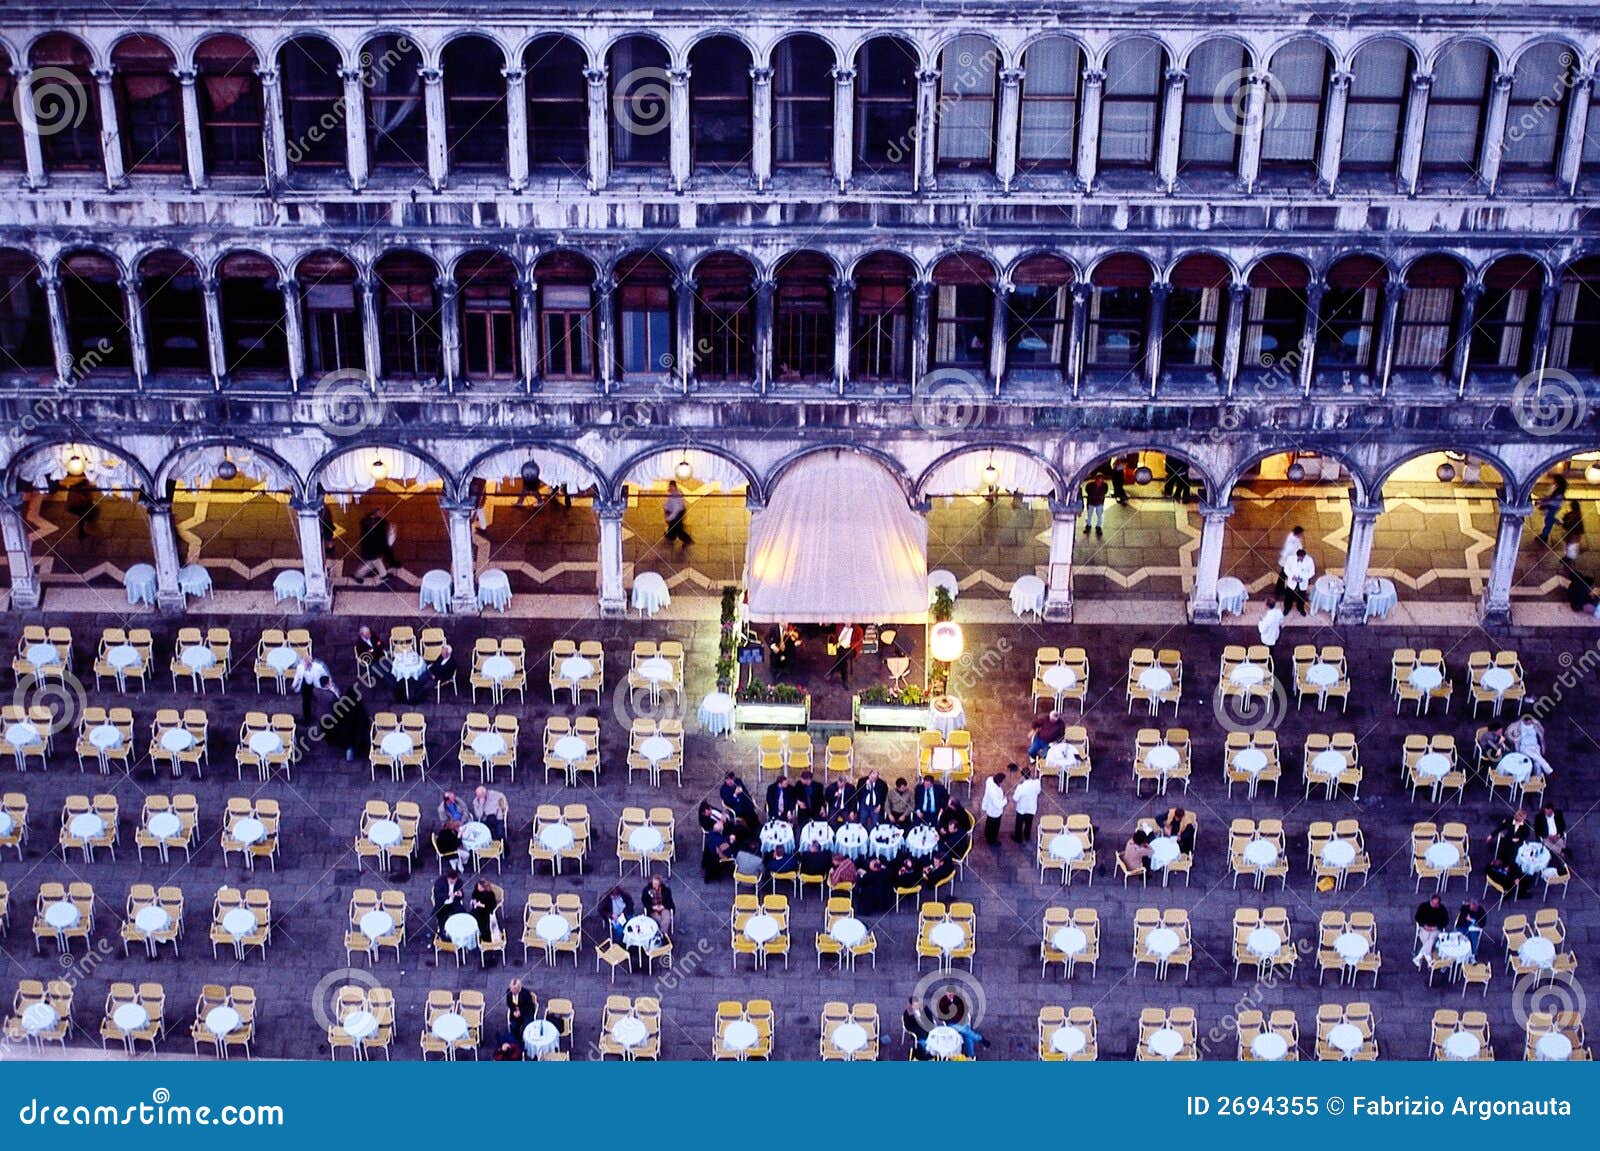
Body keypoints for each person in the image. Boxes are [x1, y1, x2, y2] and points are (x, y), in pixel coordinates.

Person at [354, 510, 397, 582]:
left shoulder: (369, 523)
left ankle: (384, 575)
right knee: (371, 564)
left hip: (373, 551)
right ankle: (358, 575)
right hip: (371, 551)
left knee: (376, 562)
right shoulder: (372, 529)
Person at [290, 651, 331, 723]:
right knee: (306, 702)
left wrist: (327, 683)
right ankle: (307, 718)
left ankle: (317, 714)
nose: (308, 664)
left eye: (309, 662)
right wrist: (293, 685)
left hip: (315, 685)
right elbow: (297, 677)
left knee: (316, 700)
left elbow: (325, 674)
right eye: (306, 663)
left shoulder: (318, 667)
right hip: (305, 686)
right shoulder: (300, 667)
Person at [1413, 894, 1449, 969]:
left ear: (1439, 903)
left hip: (1435, 929)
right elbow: (1417, 917)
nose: (1434, 905)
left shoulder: (1442, 909)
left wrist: (1436, 927)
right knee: (1429, 941)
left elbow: (1446, 921)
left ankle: (1420, 956)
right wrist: (1424, 925)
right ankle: (1429, 959)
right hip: (1425, 928)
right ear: (1430, 901)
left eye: (1436, 904)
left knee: (1431, 939)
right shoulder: (1423, 906)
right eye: (1433, 903)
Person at [1011, 763, 1040, 845]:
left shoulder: (1020, 787)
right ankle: (1027, 836)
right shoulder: (1036, 783)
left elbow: (1015, 798)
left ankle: (1018, 838)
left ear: (1022, 776)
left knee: (1019, 825)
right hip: (1031, 808)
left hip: (1021, 809)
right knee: (1029, 823)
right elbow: (1038, 791)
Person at [1282, 547, 1315, 615]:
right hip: (1292, 581)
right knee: (1289, 595)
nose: (1300, 559)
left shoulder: (1309, 560)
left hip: (1303, 582)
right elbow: (1286, 569)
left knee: (1301, 596)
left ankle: (1300, 608)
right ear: (1297, 555)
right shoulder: (1290, 558)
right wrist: (1292, 576)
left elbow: (1312, 572)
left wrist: (1304, 578)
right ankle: (1287, 607)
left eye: (1302, 557)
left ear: (1304, 556)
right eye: (1299, 557)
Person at [1275, 527, 1305, 599]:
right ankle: (1279, 590)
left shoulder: (1294, 537)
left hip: (1289, 562)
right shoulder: (1291, 542)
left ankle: (1279, 589)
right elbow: (1287, 552)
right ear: (1297, 533)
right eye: (1301, 533)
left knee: (1283, 575)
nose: (1302, 535)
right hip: (1288, 563)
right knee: (1284, 575)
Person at [432, 868, 465, 932]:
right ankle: (442, 932)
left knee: (462, 915)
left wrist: (460, 894)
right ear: (448, 878)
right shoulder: (439, 882)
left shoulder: (459, 882)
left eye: (455, 881)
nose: (453, 882)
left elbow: (461, 893)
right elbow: (438, 896)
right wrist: (448, 895)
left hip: (454, 902)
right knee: (443, 919)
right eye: (452, 881)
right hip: (443, 904)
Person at [1538, 469, 1568, 542]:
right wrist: (1544, 499)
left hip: (1554, 506)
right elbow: (1550, 496)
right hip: (1552, 505)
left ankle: (1544, 536)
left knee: (1548, 521)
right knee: (1548, 518)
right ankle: (1556, 521)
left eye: (1554, 480)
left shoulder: (1559, 492)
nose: (1552, 481)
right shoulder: (1556, 487)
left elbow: (1553, 501)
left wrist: (1543, 502)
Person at [469, 878, 500, 948]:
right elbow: (474, 895)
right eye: (478, 886)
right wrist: (474, 901)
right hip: (477, 909)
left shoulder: (490, 895)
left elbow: (492, 906)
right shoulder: (477, 890)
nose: (478, 888)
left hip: (485, 912)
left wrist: (482, 905)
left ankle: (487, 944)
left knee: (484, 927)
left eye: (480, 887)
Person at [662, 480, 693, 545]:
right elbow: (669, 502)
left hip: (676, 514)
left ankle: (687, 540)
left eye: (671, 487)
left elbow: (675, 511)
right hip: (678, 512)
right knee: (673, 526)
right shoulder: (675, 493)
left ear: (675, 487)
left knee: (678, 529)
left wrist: (669, 518)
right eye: (670, 486)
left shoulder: (675, 498)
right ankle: (671, 536)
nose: (670, 488)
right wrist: (666, 507)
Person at [980, 772, 1007, 846]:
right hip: (995, 813)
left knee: (988, 823)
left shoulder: (989, 780)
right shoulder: (996, 791)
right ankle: (992, 840)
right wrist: (1005, 800)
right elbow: (998, 805)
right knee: (994, 827)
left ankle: (987, 834)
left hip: (989, 808)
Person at [833, 622, 862, 686]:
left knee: (843, 657)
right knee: (843, 657)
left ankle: (836, 670)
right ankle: (844, 680)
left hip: (852, 649)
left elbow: (859, 643)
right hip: (841, 647)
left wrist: (850, 645)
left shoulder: (858, 630)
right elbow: (837, 636)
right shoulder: (839, 625)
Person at [1083, 472, 1109, 537]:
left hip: (1099, 502)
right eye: (1098, 479)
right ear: (1096, 479)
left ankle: (1098, 526)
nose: (1099, 481)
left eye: (1101, 479)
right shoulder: (1090, 485)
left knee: (1100, 515)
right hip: (1091, 502)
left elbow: (1105, 492)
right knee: (1089, 514)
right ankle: (1088, 525)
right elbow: (1087, 490)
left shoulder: (1105, 485)